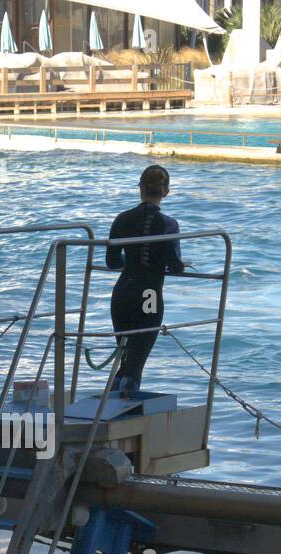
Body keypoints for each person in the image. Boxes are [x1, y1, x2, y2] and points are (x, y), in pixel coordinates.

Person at [106, 165, 186, 396]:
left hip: (122, 293)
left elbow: (111, 261)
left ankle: (113, 397)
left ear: (140, 188)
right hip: (148, 295)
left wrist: (132, 259)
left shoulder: (121, 219)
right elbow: (175, 265)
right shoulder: (168, 225)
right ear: (166, 191)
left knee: (126, 354)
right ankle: (126, 398)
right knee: (137, 357)